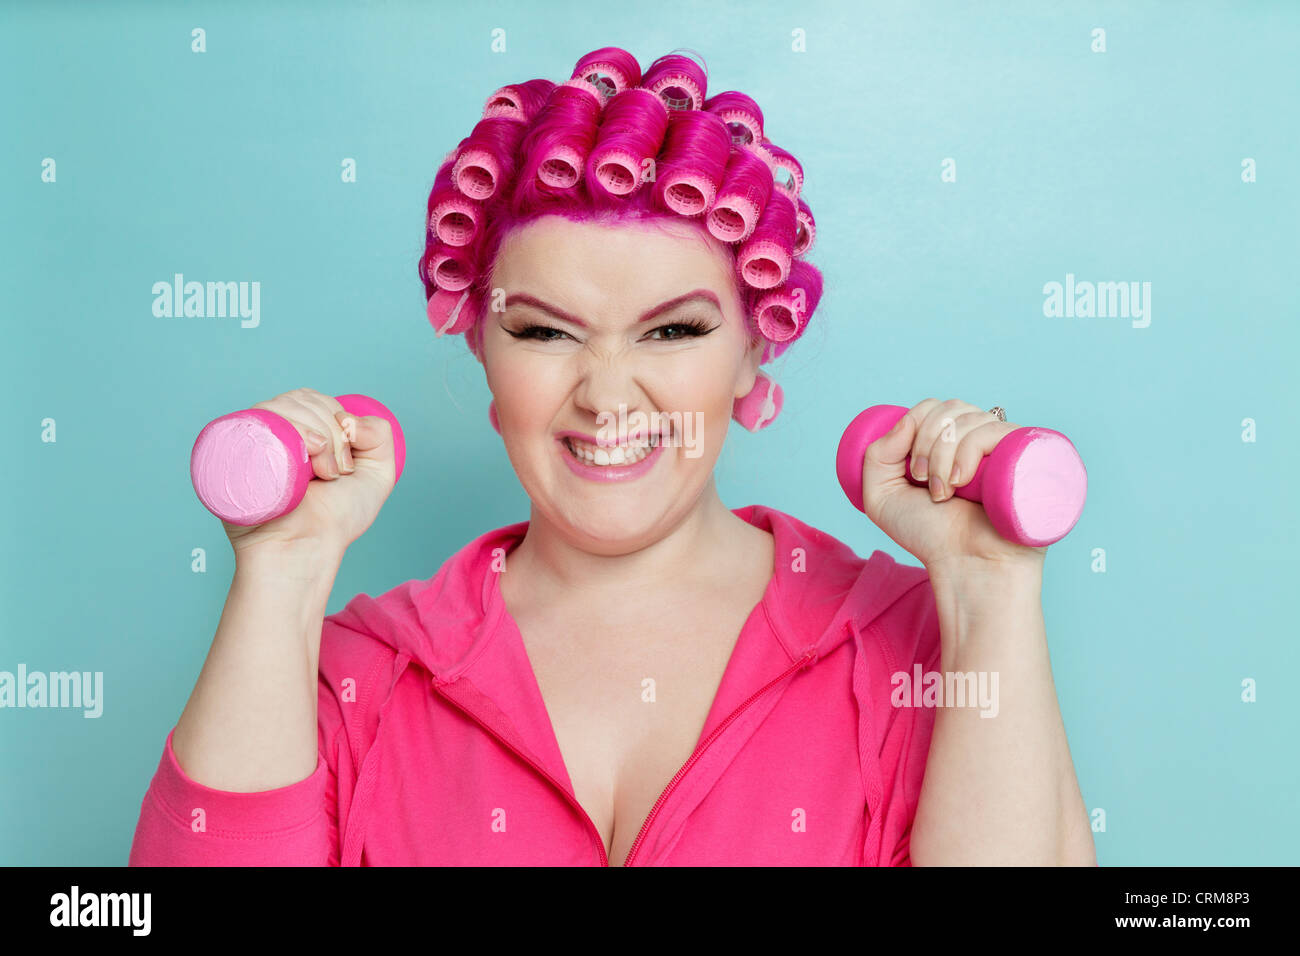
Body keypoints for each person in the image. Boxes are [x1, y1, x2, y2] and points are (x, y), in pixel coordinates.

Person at [128, 47, 1095, 866]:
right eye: (546, 334)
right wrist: (282, 577)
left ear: (756, 345)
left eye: (672, 332)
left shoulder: (911, 651)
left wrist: (986, 590)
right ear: (479, 343)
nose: (605, 393)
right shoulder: (359, 674)